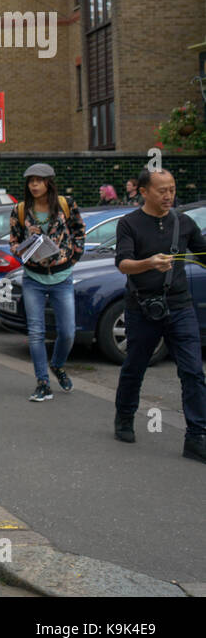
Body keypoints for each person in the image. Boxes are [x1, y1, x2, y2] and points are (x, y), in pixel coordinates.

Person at [112, 169, 206, 463]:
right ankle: (124, 416)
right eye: (162, 190)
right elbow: (123, 264)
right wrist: (149, 263)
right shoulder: (129, 224)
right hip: (142, 307)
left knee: (193, 371)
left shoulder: (184, 222)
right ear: (143, 191)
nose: (169, 196)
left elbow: (203, 254)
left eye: (172, 189)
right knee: (135, 366)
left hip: (180, 306)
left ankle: (196, 436)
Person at [8, 164, 87, 402]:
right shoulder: (20, 210)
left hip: (62, 277)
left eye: (38, 181)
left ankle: (58, 365)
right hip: (33, 278)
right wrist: (21, 251)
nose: (34, 185)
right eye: (30, 181)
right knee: (36, 332)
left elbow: (79, 232)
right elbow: (13, 241)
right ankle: (42, 382)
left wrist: (72, 258)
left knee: (67, 332)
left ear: (48, 183)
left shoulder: (66, 204)